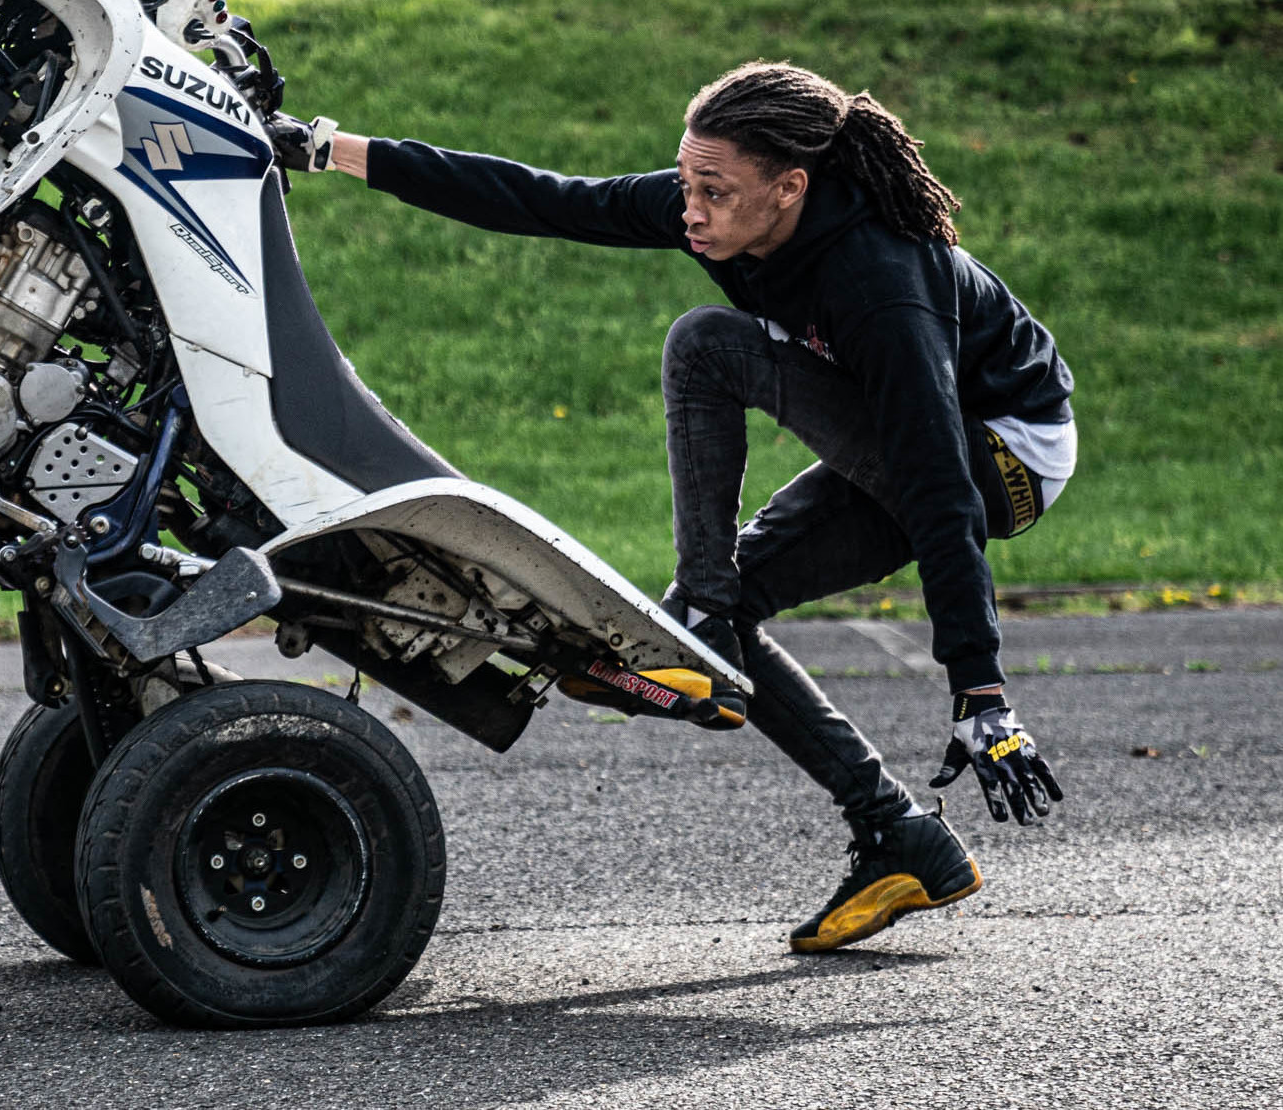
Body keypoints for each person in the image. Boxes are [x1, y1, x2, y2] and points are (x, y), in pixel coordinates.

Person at [263, 61, 1070, 953]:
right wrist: (330, 149)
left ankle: (702, 616)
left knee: (708, 346)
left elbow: (942, 491)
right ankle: (899, 834)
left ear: (790, 188)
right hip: (909, 432)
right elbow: (540, 199)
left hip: (1002, 454)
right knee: (718, 618)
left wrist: (979, 689)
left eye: (714, 192)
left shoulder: (882, 282)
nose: (691, 210)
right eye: (685, 183)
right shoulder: (714, 205)